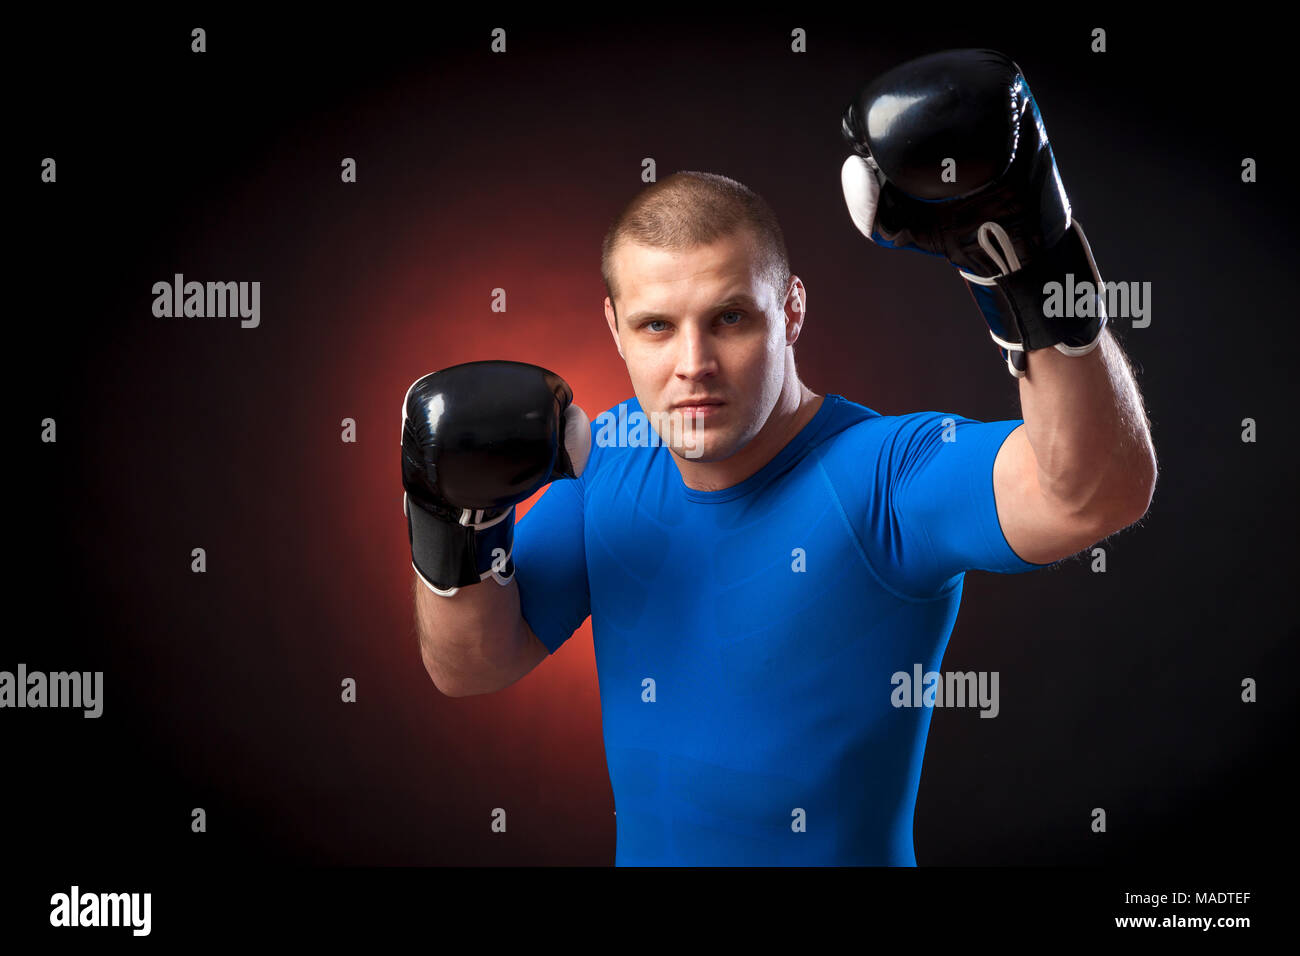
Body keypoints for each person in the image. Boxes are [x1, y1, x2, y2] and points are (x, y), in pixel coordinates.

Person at [403, 49, 1157, 865]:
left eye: (730, 318)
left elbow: (1093, 494)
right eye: (657, 326)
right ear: (615, 329)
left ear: (790, 310)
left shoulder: (883, 474)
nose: (693, 362)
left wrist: (1037, 274)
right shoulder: (612, 453)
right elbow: (473, 665)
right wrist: (446, 523)